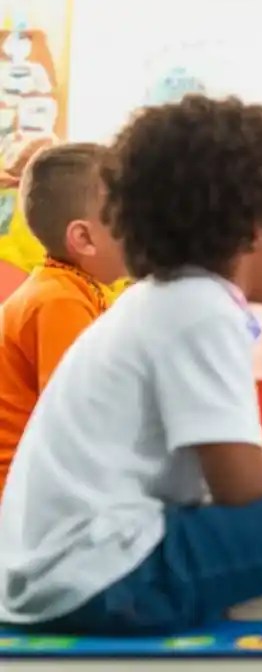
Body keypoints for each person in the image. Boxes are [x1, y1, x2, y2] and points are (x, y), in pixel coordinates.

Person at [0, 95, 262, 635]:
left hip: (56, 575)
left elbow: (236, 450)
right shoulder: (200, 311)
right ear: (252, 226)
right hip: (103, 582)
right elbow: (240, 484)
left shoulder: (166, 299)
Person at [0, 142, 126, 496]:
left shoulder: (77, 288)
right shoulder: (59, 301)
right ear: (83, 238)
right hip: (22, 501)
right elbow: (78, 424)